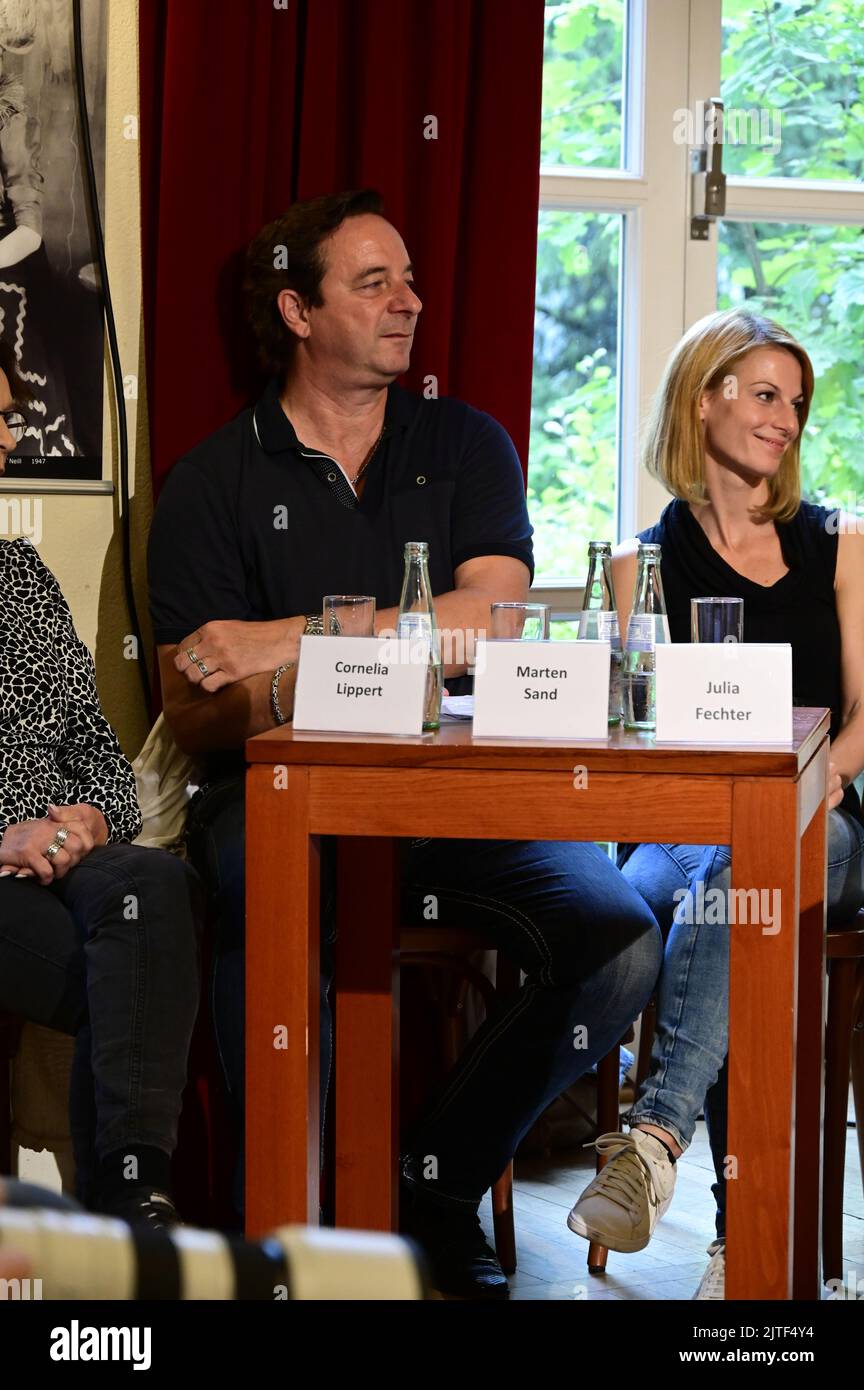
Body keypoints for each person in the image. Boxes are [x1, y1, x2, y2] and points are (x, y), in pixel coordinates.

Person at [147, 187, 662, 1299]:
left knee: (619, 935)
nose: (410, 303)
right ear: (296, 309)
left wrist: (289, 644)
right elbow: (195, 711)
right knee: (252, 908)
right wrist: (403, 646)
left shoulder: (465, 442)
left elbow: (497, 620)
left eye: (411, 279)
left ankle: (428, 1190)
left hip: (453, 794)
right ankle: (279, 1235)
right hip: (278, 797)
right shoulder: (210, 481)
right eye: (373, 282)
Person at [566, 307, 864, 1298]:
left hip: (825, 820)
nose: (786, 420)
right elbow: (632, 730)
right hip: (683, 826)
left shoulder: (842, 544)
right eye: (765, 394)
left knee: (756, 876)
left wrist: (800, 801)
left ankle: (653, 1141)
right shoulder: (637, 564)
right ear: (703, 399)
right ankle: (745, 1246)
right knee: (735, 888)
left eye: (798, 403)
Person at [0, 341, 203, 1227]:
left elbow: (99, 752)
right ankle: (130, 1212)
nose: (8, 441)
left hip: (69, 863)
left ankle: (125, 1195)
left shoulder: (21, 576)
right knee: (136, 974)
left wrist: (91, 816)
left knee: (156, 881)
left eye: (7, 419)